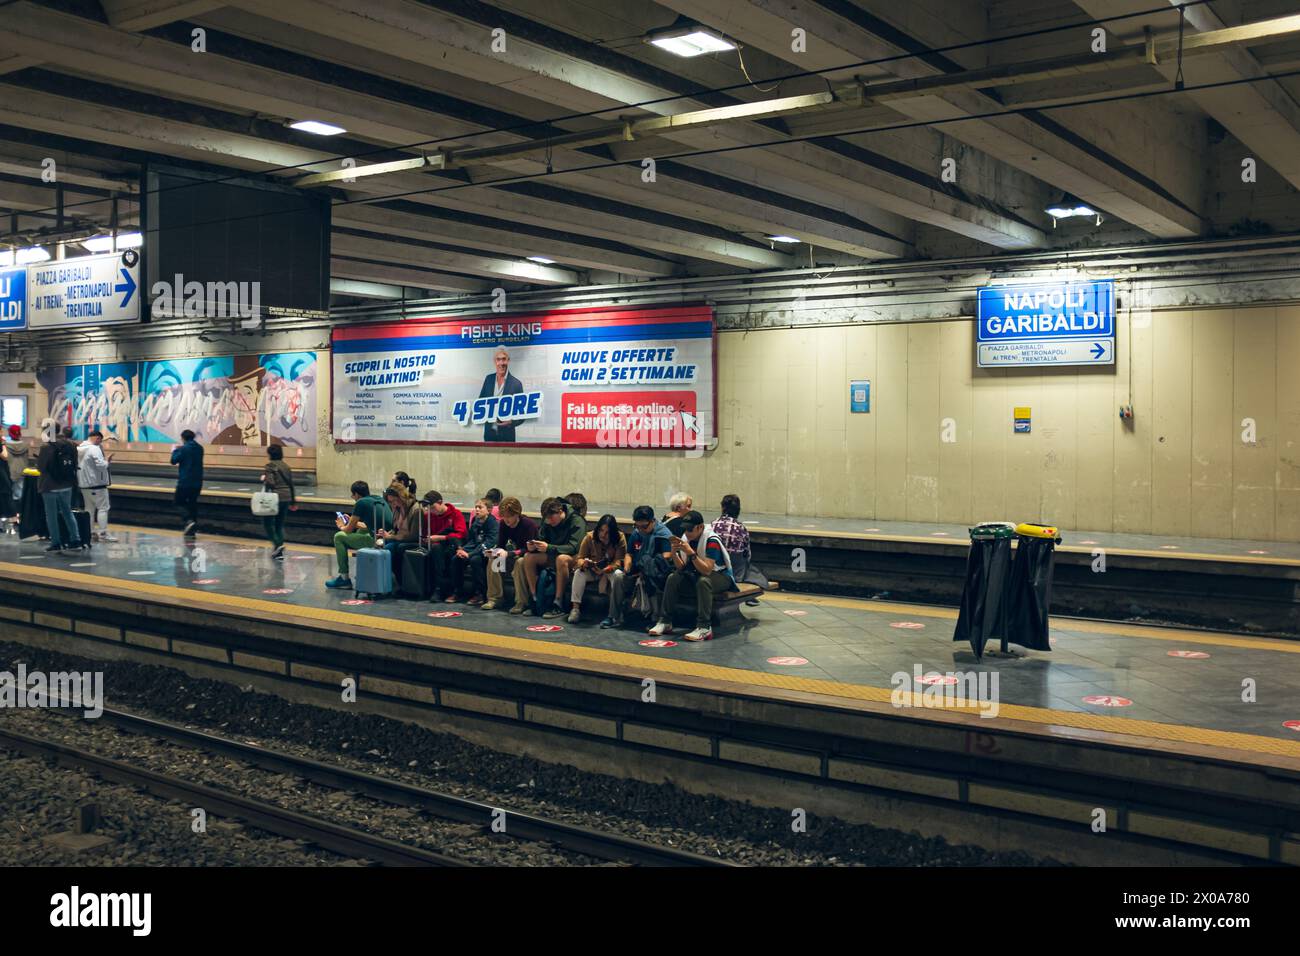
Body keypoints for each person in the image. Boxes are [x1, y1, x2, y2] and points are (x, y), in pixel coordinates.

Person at [649, 511, 738, 642]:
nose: (687, 532)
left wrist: (691, 553)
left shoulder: (711, 540)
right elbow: (681, 568)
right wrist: (674, 553)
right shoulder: (686, 539)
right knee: (673, 577)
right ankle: (665, 621)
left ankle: (704, 626)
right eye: (685, 529)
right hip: (697, 574)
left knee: (704, 581)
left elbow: (707, 570)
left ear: (700, 527)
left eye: (690, 529)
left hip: (720, 576)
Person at [521, 496, 586, 618]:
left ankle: (558, 602)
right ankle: (536, 599)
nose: (549, 521)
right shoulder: (547, 520)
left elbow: (574, 547)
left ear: (560, 511)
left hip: (572, 557)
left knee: (561, 559)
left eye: (552, 518)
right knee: (528, 557)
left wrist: (549, 547)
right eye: (547, 519)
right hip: (552, 553)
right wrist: (534, 546)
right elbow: (542, 539)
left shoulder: (576, 521)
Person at [326, 481, 393, 589]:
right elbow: (368, 526)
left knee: (339, 537)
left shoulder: (360, 503)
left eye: (352, 495)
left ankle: (344, 579)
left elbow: (348, 530)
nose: (352, 497)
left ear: (357, 494)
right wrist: (354, 522)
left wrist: (341, 526)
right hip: (388, 538)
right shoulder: (378, 499)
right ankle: (363, 569)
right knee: (361, 531)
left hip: (378, 541)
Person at [567, 514, 629, 627]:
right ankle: (575, 609)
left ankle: (615, 613)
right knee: (578, 573)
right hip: (592, 569)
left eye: (607, 532)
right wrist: (584, 563)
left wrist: (607, 569)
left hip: (608, 570)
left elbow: (619, 561)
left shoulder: (620, 538)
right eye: (601, 530)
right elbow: (580, 558)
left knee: (618, 575)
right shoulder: (589, 537)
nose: (603, 535)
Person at [483, 496, 537, 611]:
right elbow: (501, 545)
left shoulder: (528, 525)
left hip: (528, 559)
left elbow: (528, 549)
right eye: (504, 516)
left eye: (509, 517)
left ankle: (521, 601)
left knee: (520, 562)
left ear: (517, 514)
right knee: (494, 560)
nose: (506, 520)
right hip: (510, 556)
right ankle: (495, 598)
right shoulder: (503, 524)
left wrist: (509, 553)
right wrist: (494, 552)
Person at [36, 426, 83, 552]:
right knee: (67, 512)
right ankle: (75, 539)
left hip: (49, 485)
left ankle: (56, 542)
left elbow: (41, 467)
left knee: (51, 515)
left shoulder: (46, 447)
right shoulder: (70, 445)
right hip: (66, 484)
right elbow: (75, 462)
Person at [714, 493, 766, 604]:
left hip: (717, 567)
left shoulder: (714, 524)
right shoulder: (741, 528)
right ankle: (749, 596)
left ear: (723, 507)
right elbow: (747, 554)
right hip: (736, 571)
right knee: (752, 570)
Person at [627, 504, 672, 619]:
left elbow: (667, 556)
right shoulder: (637, 533)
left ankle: (656, 616)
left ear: (652, 521)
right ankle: (614, 615)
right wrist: (627, 566)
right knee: (618, 578)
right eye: (637, 526)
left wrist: (646, 567)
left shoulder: (663, 534)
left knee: (650, 578)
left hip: (655, 572)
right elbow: (629, 553)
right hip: (637, 569)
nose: (641, 530)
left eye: (644, 527)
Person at [420, 490, 467, 601]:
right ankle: (437, 588)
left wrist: (440, 538)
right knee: (435, 550)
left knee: (441, 552)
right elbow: (424, 534)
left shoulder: (455, 514)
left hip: (452, 546)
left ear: (440, 502)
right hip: (435, 547)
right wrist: (427, 540)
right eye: (429, 508)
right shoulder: (428, 516)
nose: (431, 510)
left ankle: (442, 589)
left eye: (433, 507)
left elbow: (461, 534)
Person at [450, 498, 498, 604]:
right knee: (456, 559)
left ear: (489, 510)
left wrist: (470, 554)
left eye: (480, 507)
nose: (477, 509)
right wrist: (462, 549)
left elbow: (489, 543)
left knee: (475, 560)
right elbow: (472, 540)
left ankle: (480, 593)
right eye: (476, 507)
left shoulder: (493, 524)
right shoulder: (476, 522)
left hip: (488, 552)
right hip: (474, 549)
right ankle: (458, 591)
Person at [376, 486, 422, 582]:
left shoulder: (416, 509)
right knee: (378, 544)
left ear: (401, 497)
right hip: (399, 539)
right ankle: (382, 581)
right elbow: (396, 529)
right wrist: (386, 534)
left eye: (394, 501)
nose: (393, 504)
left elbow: (414, 535)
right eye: (390, 502)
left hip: (411, 541)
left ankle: (395, 581)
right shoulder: (397, 509)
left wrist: (391, 536)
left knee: (389, 548)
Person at [478, 346, 525, 442]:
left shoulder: (516, 384)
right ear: (494, 361)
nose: (501, 363)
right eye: (498, 359)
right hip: (489, 435)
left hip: (507, 436)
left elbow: (522, 415)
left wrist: (510, 422)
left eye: (504, 359)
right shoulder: (488, 380)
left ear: (508, 360)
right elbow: (480, 403)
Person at [77, 430, 116, 543]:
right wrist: (107, 461)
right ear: (97, 438)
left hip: (84, 484)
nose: (100, 443)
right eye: (99, 440)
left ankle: (90, 532)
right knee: (103, 508)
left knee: (89, 510)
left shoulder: (80, 447)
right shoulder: (94, 448)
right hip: (97, 484)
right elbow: (100, 466)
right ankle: (103, 533)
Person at [260, 444, 296, 559]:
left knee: (267, 523)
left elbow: (271, 483)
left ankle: (277, 544)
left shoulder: (270, 466)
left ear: (270, 454)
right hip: (287, 497)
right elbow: (291, 484)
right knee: (279, 525)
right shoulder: (286, 466)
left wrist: (264, 478)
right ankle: (278, 552)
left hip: (274, 497)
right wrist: (293, 501)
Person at [170, 429, 204, 536]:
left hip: (185, 482)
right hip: (198, 482)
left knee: (178, 502)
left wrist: (175, 450)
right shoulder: (200, 448)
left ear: (183, 438)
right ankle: (192, 528)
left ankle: (188, 520)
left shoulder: (183, 449)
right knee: (192, 504)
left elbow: (173, 460)